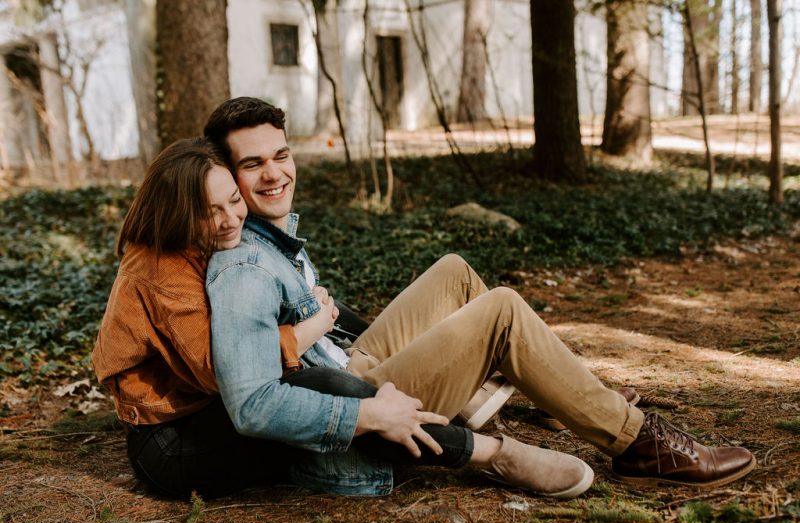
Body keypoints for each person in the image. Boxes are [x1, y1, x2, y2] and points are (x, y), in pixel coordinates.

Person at [203, 97, 756, 498]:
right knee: (503, 309)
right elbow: (254, 403)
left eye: (281, 154)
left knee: (455, 271)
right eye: (253, 165)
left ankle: (559, 394)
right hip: (358, 401)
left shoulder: (267, 237)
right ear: (225, 175)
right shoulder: (244, 265)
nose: (276, 173)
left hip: (348, 361)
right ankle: (637, 444)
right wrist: (360, 404)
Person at [92, 138, 367, 497]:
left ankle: (391, 378)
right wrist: (309, 329)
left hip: (212, 407)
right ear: (180, 210)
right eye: (210, 211)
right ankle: (438, 431)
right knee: (329, 392)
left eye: (234, 200)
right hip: (172, 443)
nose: (231, 219)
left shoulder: (196, 238)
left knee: (335, 316)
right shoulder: (161, 268)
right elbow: (223, 369)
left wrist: (305, 303)